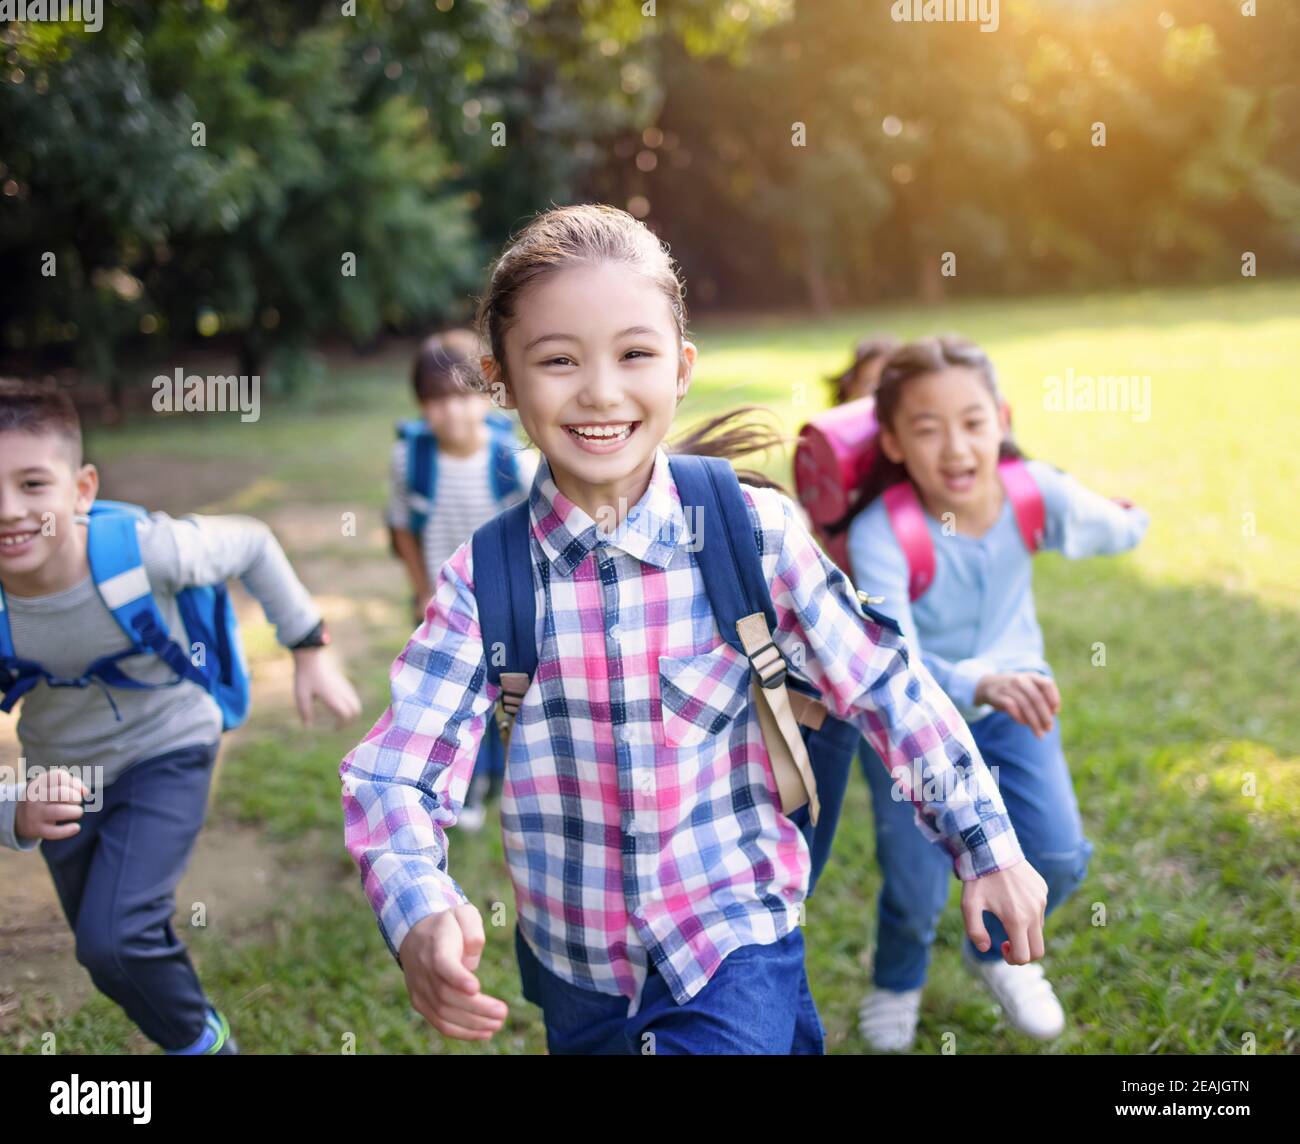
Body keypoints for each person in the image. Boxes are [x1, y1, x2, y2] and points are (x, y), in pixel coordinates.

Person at [339, 204, 1047, 1056]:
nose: (600, 390)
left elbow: (885, 683)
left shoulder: (753, 532)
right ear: (501, 382)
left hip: (732, 936)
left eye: (634, 354)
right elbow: (392, 777)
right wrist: (417, 903)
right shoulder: (484, 581)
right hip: (578, 970)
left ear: (681, 367)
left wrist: (985, 842)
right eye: (558, 360)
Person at [0, 379, 362, 1055]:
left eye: (31, 485)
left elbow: (252, 542)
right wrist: (13, 808)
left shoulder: (144, 550)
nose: (9, 511)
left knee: (115, 938)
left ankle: (205, 1045)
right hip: (61, 779)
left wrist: (309, 646)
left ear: (80, 491)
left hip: (168, 745)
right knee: (102, 945)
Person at [844, 336, 1149, 1050]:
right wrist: (977, 680)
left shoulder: (1033, 491)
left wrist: (1132, 517)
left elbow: (1116, 525)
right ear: (891, 440)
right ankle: (896, 981)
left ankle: (994, 957)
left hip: (1016, 715)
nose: (956, 447)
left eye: (974, 422)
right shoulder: (881, 530)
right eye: (926, 428)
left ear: (1001, 420)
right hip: (914, 725)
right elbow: (895, 661)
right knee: (915, 889)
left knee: (1060, 858)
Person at [386, 329, 538, 828]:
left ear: (486, 394)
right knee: (447, 698)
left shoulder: (511, 460)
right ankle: (459, 787)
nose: (449, 412)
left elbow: (536, 527)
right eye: (434, 401)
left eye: (460, 396)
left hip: (503, 595)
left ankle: (493, 776)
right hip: (442, 599)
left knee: (500, 691)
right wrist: (420, 587)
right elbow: (402, 526)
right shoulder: (410, 459)